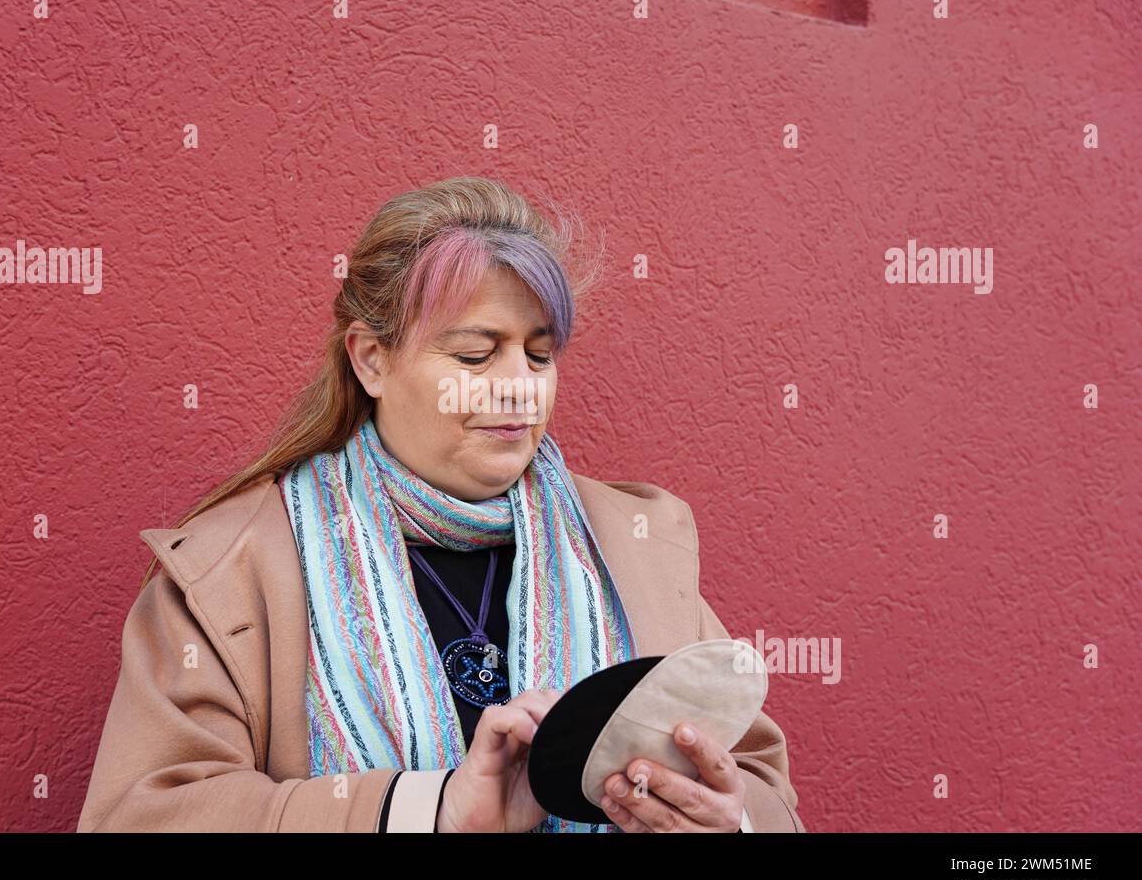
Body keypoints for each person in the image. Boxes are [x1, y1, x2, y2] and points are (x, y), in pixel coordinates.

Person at [76, 176, 805, 833]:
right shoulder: (232, 569)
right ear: (371, 360)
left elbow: (763, 790)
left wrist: (725, 820)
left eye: (539, 354)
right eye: (474, 355)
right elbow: (142, 817)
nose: (519, 387)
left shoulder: (639, 547)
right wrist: (427, 811)